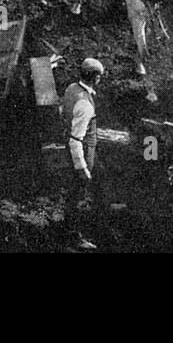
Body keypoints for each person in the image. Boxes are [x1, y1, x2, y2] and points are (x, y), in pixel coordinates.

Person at [61, 56, 103, 251]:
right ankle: (73, 239)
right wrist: (83, 168)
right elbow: (76, 139)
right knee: (77, 194)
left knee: (76, 194)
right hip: (83, 151)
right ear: (94, 78)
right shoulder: (85, 105)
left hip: (82, 146)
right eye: (99, 77)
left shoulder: (72, 89)